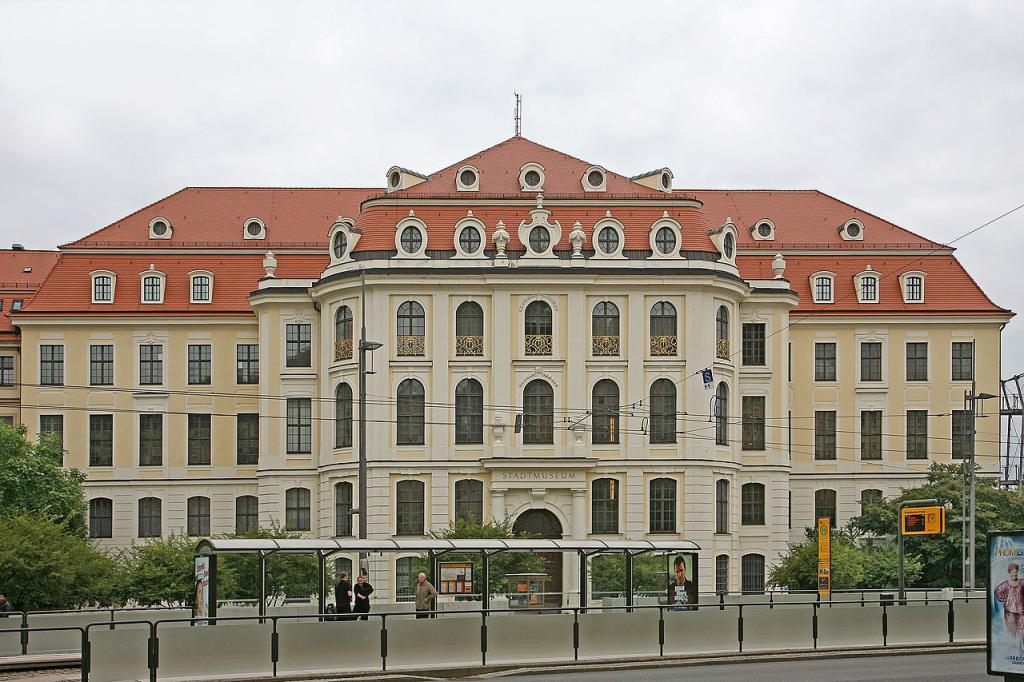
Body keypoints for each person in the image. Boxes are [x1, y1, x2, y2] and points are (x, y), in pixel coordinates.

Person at [995, 562, 1024, 645]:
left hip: (1021, 611)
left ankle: (1019, 647)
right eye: (1012, 572)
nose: (1014, 574)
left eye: (1016, 572)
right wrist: (1004, 599)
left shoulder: (1022, 582)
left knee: (1021, 631)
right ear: (1009, 572)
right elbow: (997, 591)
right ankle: (1013, 647)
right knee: (1011, 631)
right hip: (1009, 612)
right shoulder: (1005, 584)